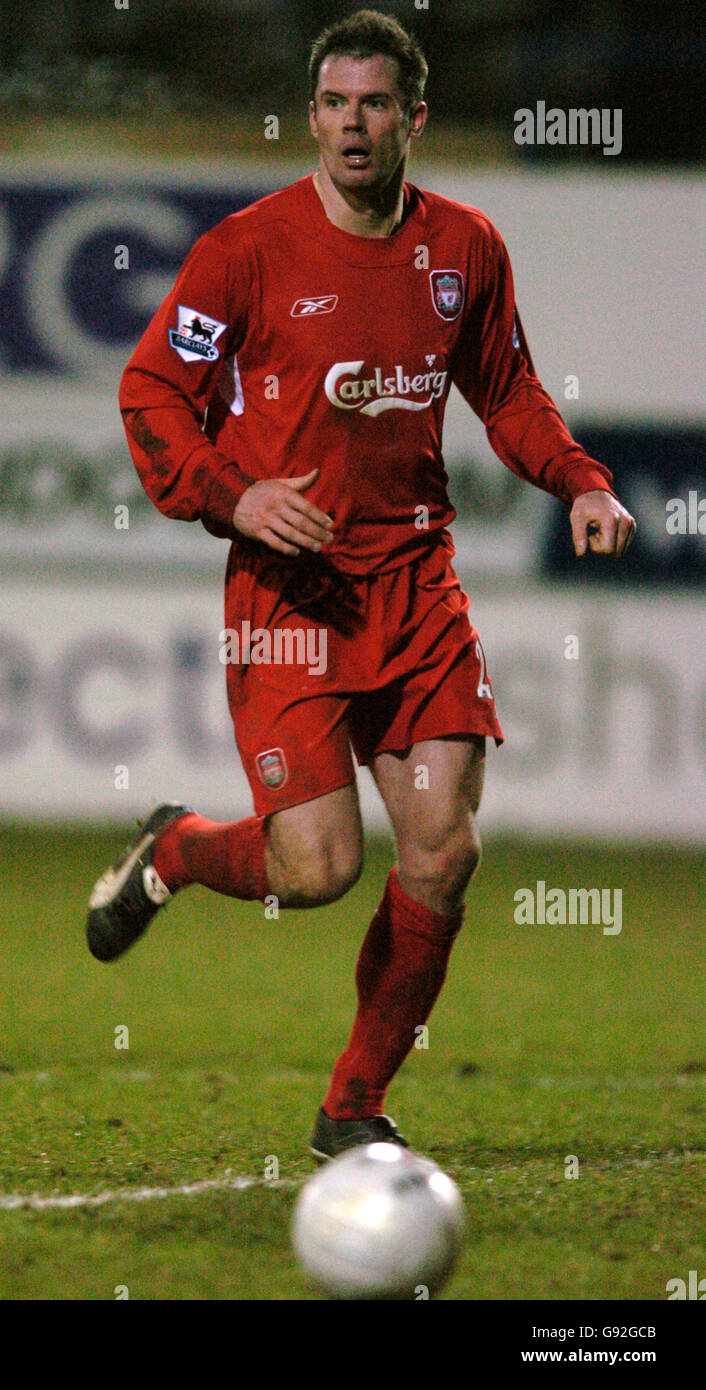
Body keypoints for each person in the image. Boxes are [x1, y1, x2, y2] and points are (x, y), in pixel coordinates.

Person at [85, 9, 636, 1159]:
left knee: (441, 848)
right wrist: (229, 496)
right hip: (290, 601)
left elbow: (509, 390)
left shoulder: (465, 247)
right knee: (318, 868)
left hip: (416, 587)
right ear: (311, 115)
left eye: (373, 103)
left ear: (412, 118)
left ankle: (351, 1107)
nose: (350, 124)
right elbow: (150, 394)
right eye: (332, 103)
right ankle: (179, 847)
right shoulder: (244, 249)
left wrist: (578, 480)